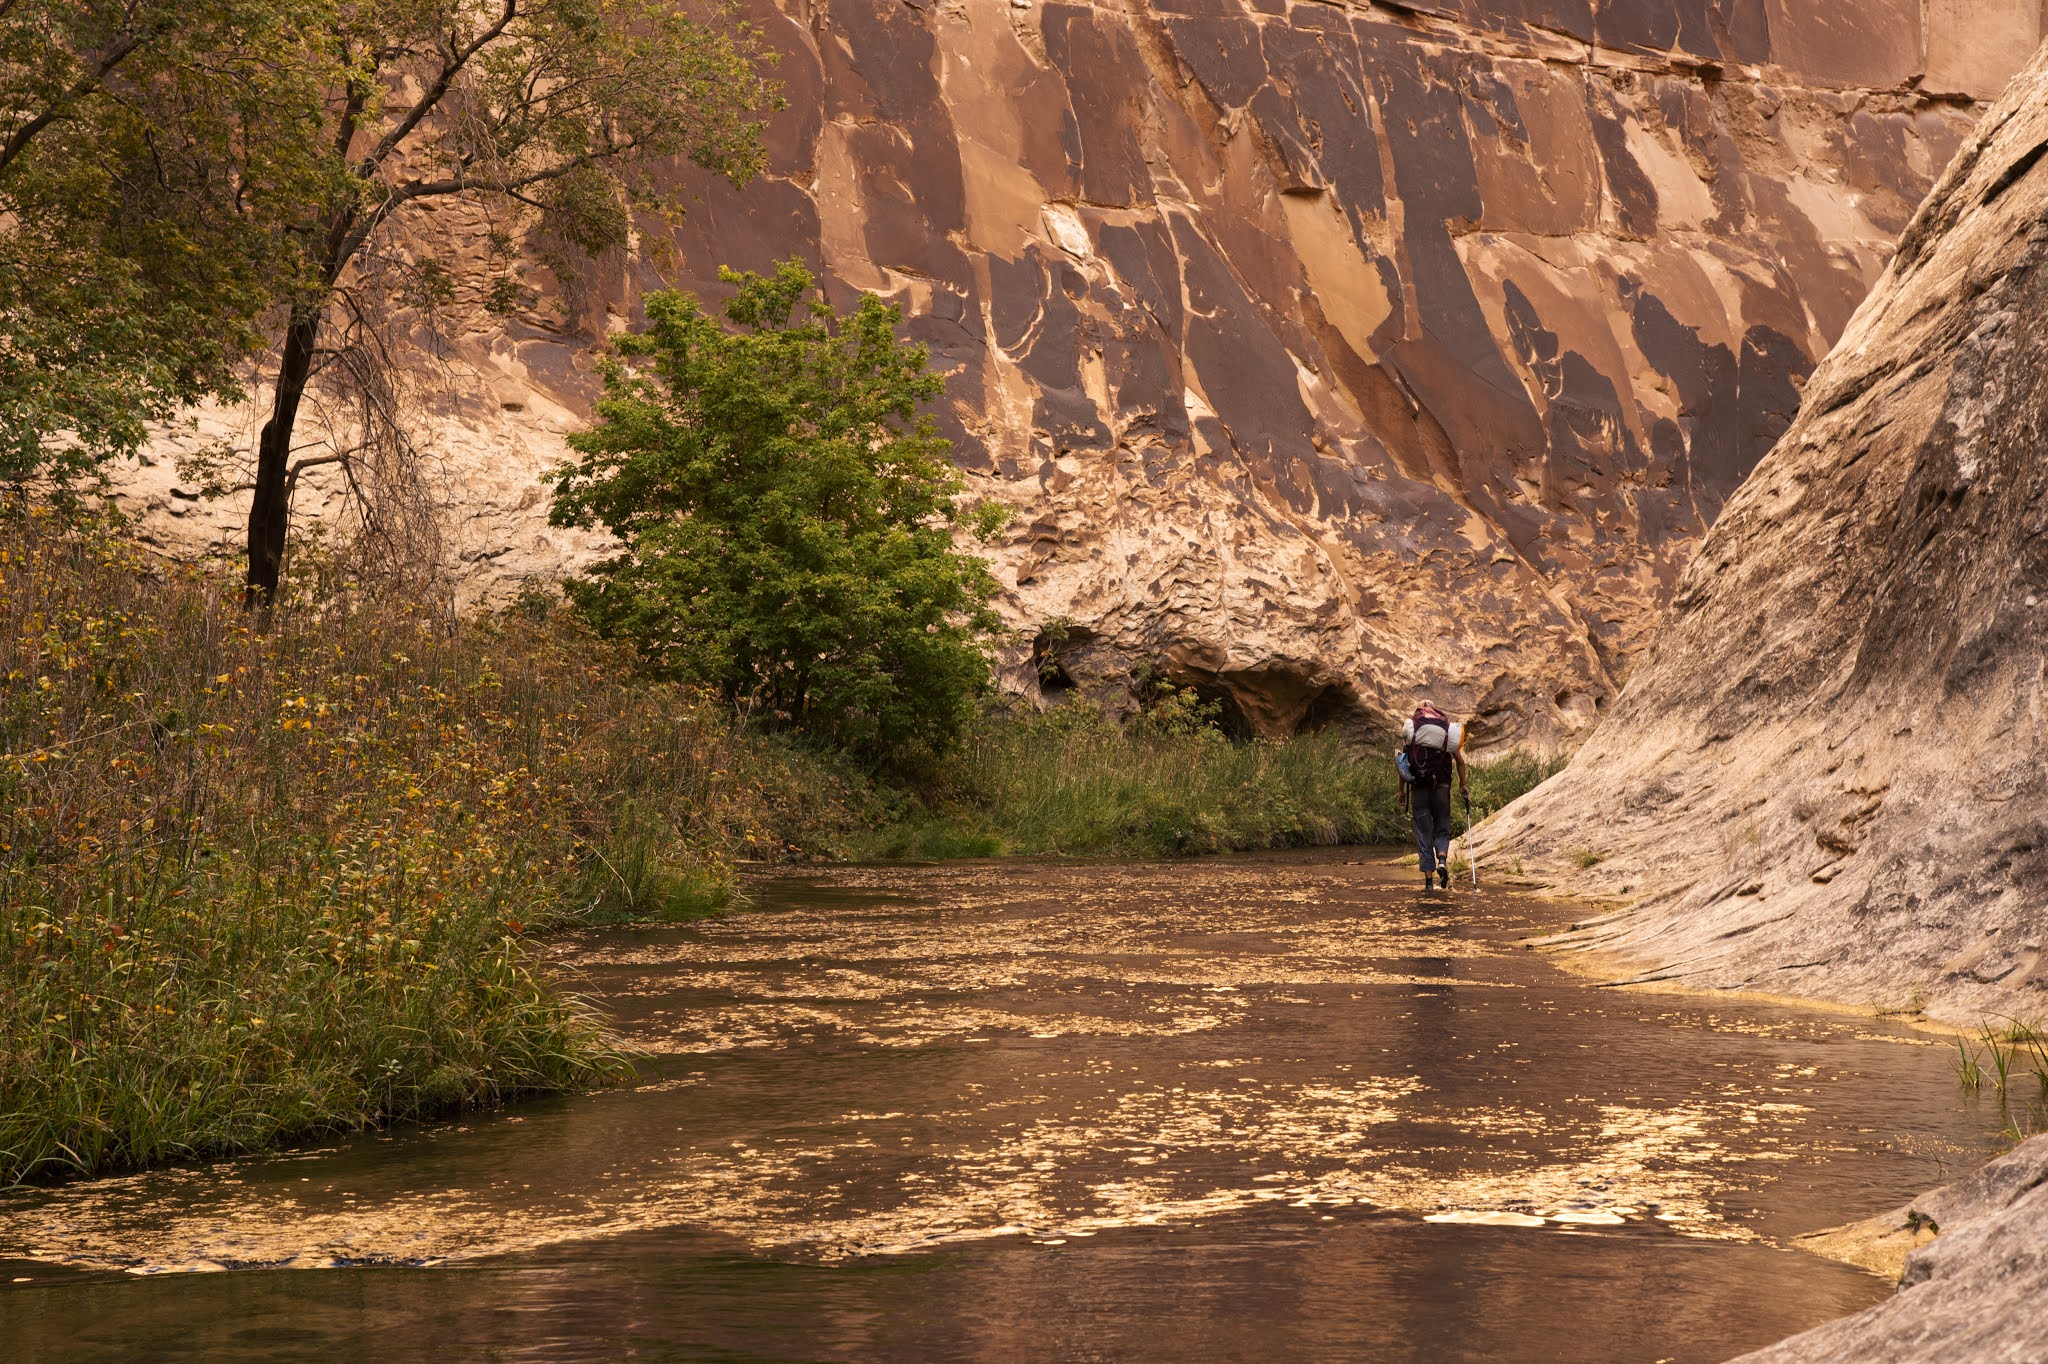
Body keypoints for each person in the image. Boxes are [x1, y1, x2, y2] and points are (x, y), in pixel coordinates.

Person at [1399, 701, 1467, 890]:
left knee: (1423, 833)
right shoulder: (1445, 733)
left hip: (1420, 789)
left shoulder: (1414, 733)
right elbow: (1460, 763)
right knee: (1442, 828)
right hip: (1442, 789)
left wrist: (1401, 791)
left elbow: (1403, 765)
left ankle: (1429, 883)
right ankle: (1443, 861)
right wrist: (1463, 785)